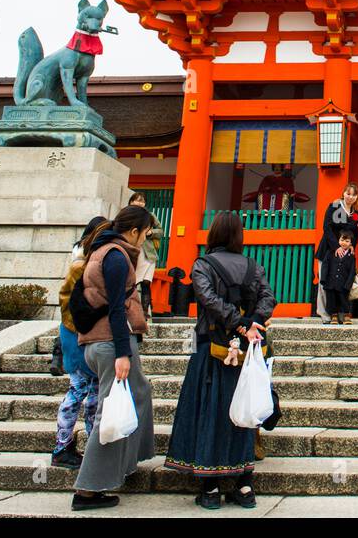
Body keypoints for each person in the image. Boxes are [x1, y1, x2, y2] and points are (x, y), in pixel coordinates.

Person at [164, 211, 275, 510]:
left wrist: (237, 322)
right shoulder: (253, 267)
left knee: (210, 410)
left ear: (213, 234)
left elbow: (207, 299)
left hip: (212, 348)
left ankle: (210, 487)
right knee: (244, 411)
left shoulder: (203, 265)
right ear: (239, 235)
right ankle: (244, 484)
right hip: (247, 350)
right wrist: (251, 323)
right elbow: (268, 298)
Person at [72, 206, 157, 511]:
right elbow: (118, 308)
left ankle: (127, 460)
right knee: (108, 415)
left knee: (139, 394)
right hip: (112, 342)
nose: (146, 237)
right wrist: (123, 351)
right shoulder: (117, 256)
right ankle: (87, 488)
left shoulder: (98, 251)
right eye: (146, 232)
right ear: (134, 231)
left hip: (96, 341)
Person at [50, 215, 105, 469]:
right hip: (76, 334)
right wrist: (81, 326)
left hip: (91, 334)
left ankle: (93, 446)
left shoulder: (96, 265)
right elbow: (66, 302)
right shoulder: (78, 268)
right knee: (78, 389)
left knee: (94, 393)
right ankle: (62, 445)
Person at [315, 182, 358, 323]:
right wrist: (337, 247)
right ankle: (325, 315)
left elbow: (355, 233)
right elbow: (327, 228)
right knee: (325, 284)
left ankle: (340, 314)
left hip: (345, 254)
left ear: (357, 197)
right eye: (348, 193)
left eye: (353, 195)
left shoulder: (355, 214)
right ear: (343, 193)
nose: (350, 197)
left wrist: (351, 245)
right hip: (328, 250)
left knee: (341, 284)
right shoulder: (335, 207)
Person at [127, 192, 160, 321]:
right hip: (133, 251)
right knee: (133, 282)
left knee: (146, 282)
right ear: (131, 202)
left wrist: (151, 232)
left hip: (148, 253)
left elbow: (160, 230)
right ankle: (131, 309)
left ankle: (145, 312)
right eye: (136, 200)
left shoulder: (149, 216)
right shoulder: (127, 215)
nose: (139, 203)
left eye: (142, 201)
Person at [320, 230, 357, 326]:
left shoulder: (351, 256)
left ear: (351, 243)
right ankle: (334, 315)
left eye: (347, 241)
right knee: (331, 299)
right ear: (338, 240)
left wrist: (349, 283)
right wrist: (324, 279)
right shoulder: (331, 252)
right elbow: (325, 265)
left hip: (343, 282)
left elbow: (352, 271)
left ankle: (346, 315)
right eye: (342, 240)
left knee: (344, 300)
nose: (344, 243)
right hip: (331, 282)